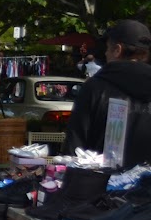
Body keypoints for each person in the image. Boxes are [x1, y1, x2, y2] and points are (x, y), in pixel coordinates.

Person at [65, 19, 151, 165]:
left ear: (117, 50)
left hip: (100, 182)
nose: (105, 53)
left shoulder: (95, 87)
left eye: (107, 48)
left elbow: (75, 145)